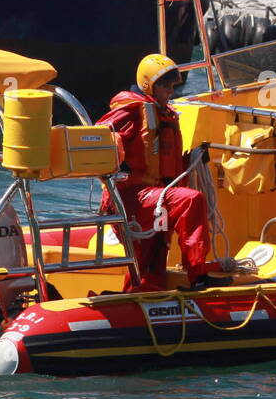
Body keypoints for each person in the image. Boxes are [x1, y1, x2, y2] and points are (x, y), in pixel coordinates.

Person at [97, 54, 240, 290]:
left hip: (154, 196)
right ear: (148, 85)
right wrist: (114, 160)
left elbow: (164, 165)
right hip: (131, 196)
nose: (170, 91)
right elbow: (98, 137)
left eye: (172, 86)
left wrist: (191, 159)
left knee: (152, 263)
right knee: (190, 199)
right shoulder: (131, 110)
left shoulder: (164, 113)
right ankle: (197, 274)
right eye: (165, 85)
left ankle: (134, 298)